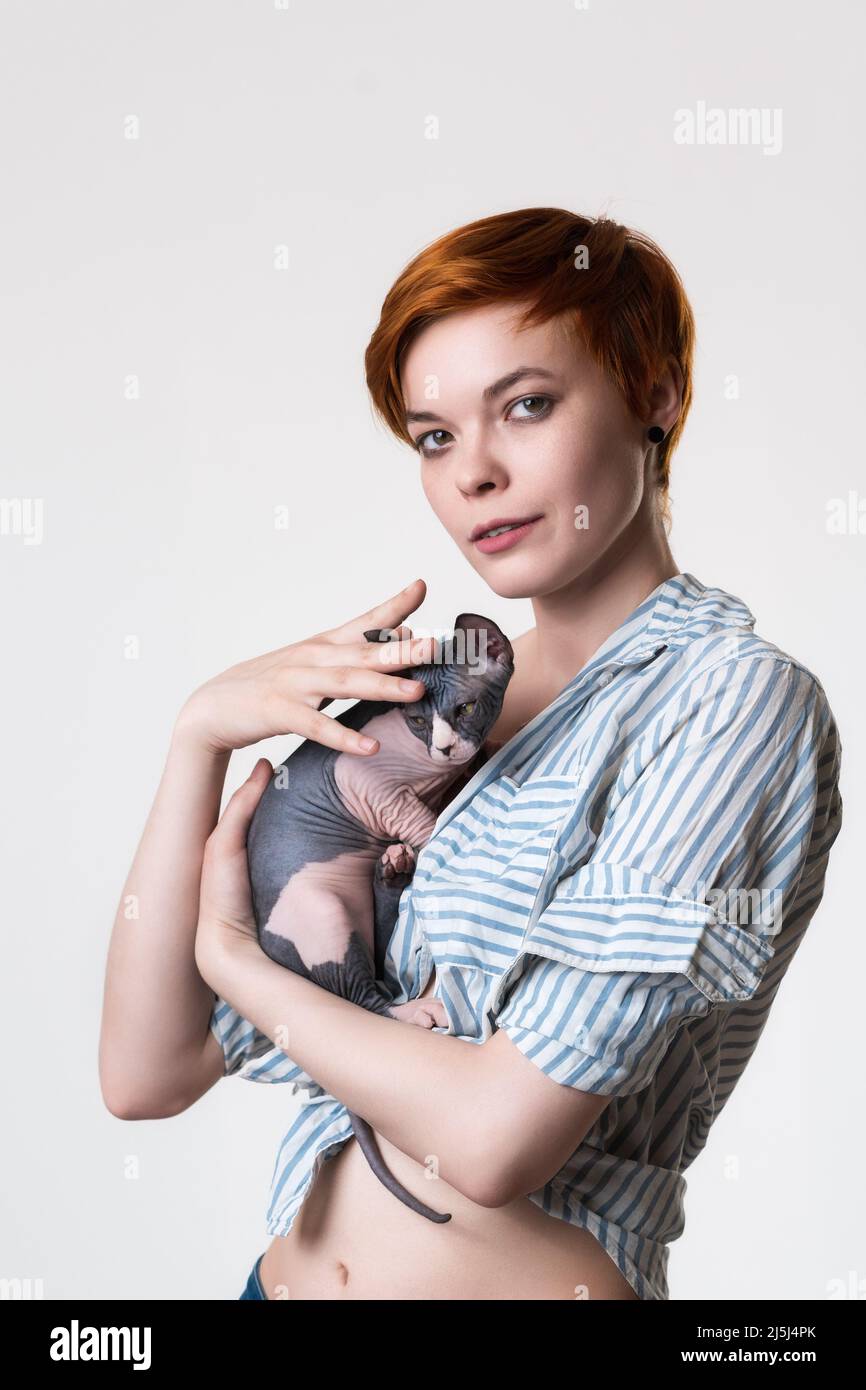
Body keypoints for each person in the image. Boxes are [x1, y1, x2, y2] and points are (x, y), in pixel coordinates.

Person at [99, 208, 843, 1301]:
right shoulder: (441, 692)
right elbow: (144, 1073)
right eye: (434, 435)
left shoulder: (730, 701)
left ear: (655, 392)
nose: (473, 474)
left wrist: (242, 966)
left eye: (526, 405)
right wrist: (198, 735)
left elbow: (497, 1140)